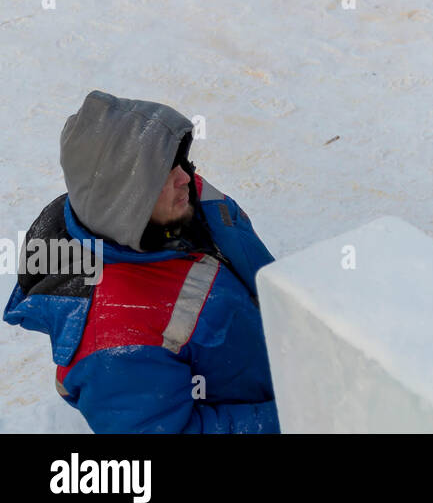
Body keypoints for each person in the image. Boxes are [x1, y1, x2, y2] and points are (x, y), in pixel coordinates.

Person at [3, 90, 280, 433]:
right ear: (123, 204)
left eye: (180, 161)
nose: (185, 177)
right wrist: (299, 415)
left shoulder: (182, 198)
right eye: (163, 172)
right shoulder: (112, 338)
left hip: (296, 356)